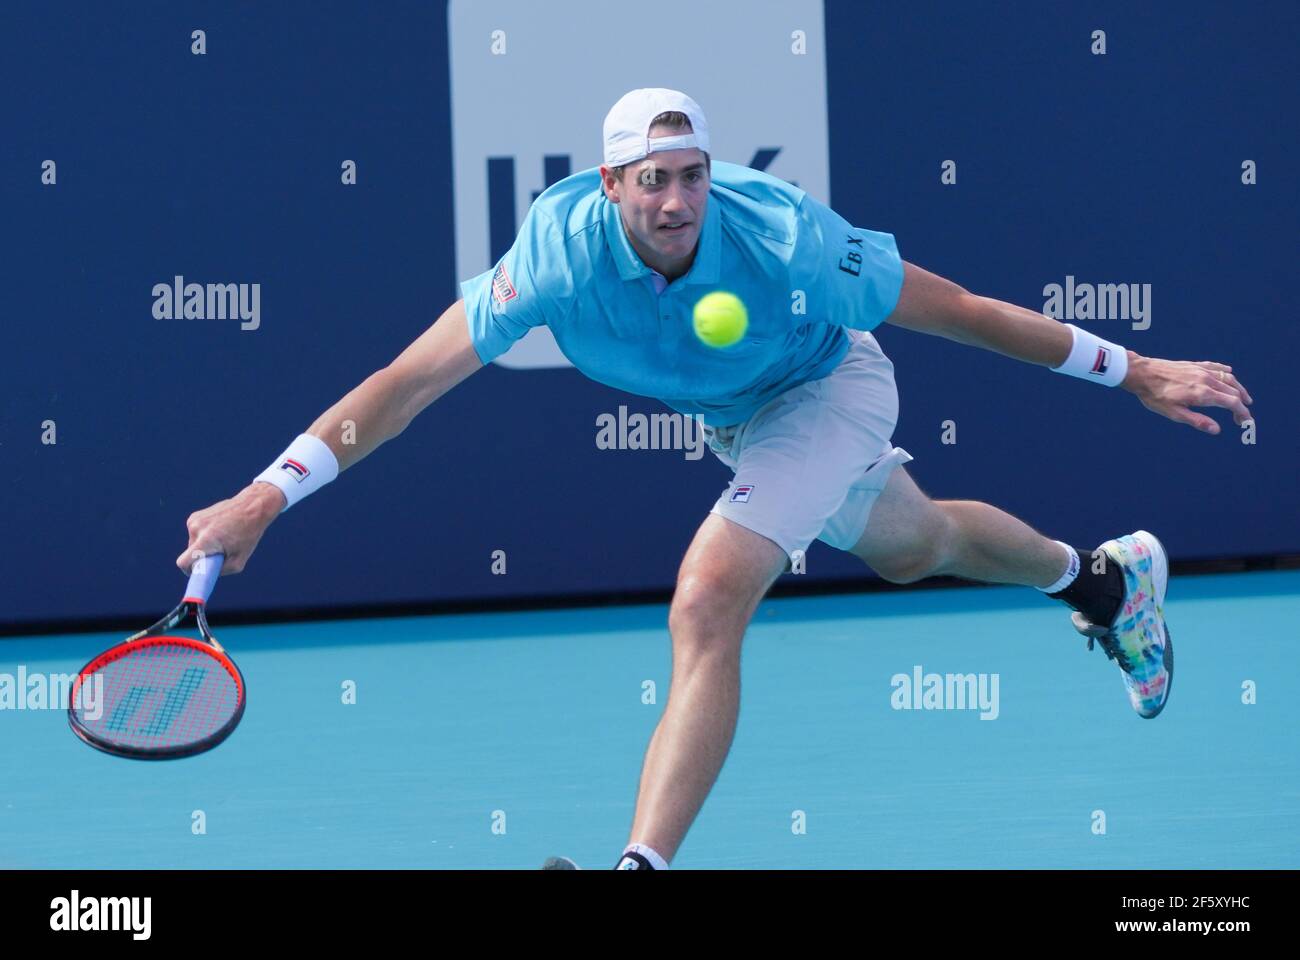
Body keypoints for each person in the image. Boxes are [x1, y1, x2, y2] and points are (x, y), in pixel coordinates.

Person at [177, 89, 1255, 871]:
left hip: (828, 388)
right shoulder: (553, 256)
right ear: (610, 186)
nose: (679, 200)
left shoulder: (785, 236)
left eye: (693, 175)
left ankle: (640, 867)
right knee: (913, 544)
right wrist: (267, 494)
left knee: (707, 597)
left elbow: (964, 313)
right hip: (740, 423)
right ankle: (1105, 586)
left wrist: (1134, 370)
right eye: (654, 181)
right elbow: (402, 386)